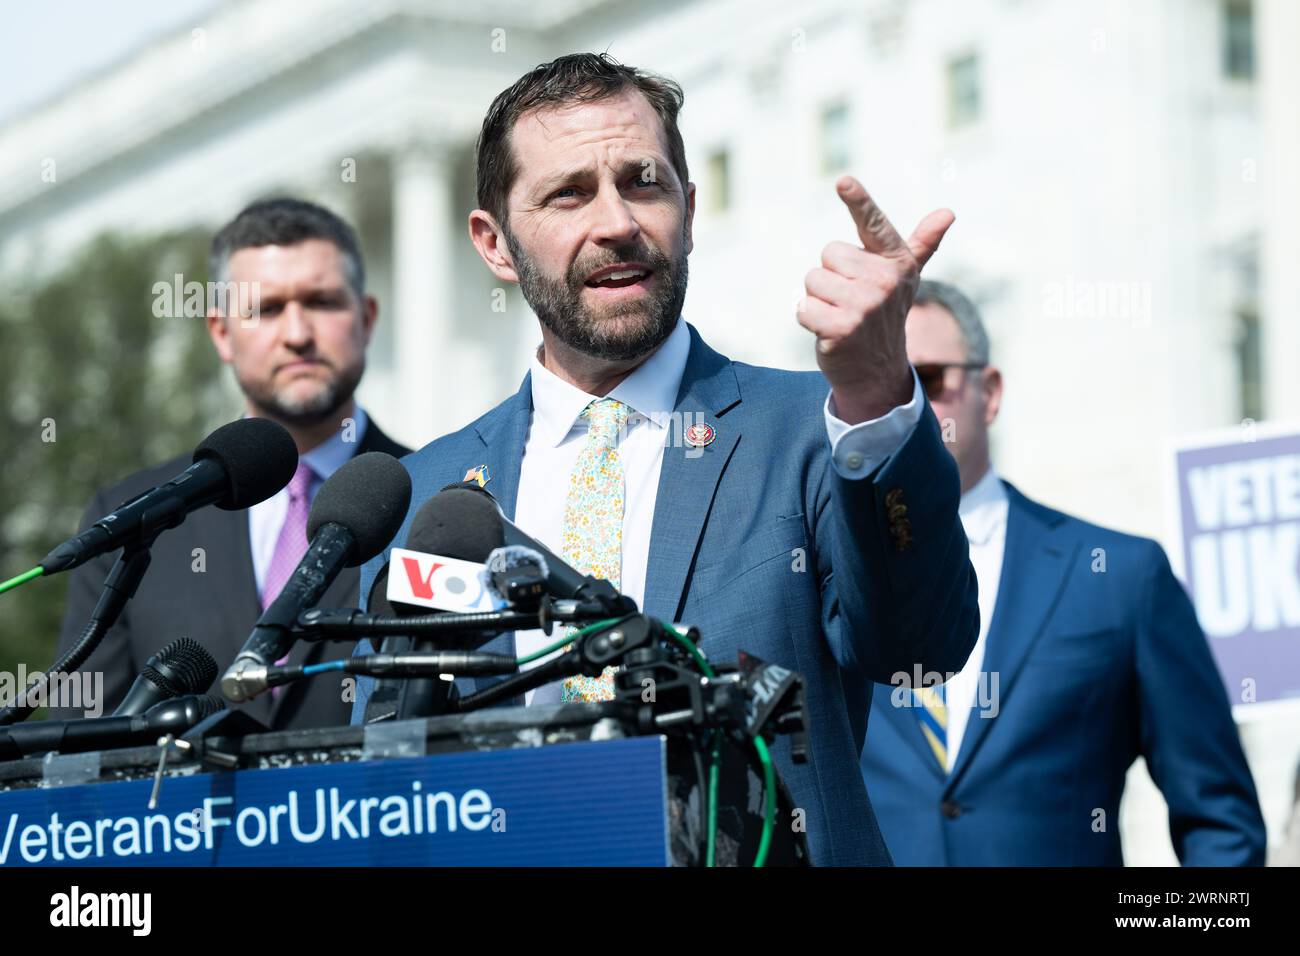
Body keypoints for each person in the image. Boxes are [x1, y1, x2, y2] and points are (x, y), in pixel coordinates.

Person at [349, 53, 979, 866]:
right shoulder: (427, 496)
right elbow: (389, 783)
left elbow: (920, 647)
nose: (616, 221)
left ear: (689, 207)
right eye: (569, 193)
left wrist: (879, 400)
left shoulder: (811, 432)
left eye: (643, 183)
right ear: (495, 244)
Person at [859, 279, 1267, 865]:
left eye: (928, 380)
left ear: (989, 391)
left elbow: (1220, 822)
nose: (908, 407)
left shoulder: (1121, 578)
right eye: (882, 386)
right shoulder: (819, 580)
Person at [55, 198, 410, 731]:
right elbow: (81, 744)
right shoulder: (135, 518)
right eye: (266, 309)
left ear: (366, 318)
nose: (297, 334)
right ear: (221, 332)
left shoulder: (444, 493)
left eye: (321, 302)